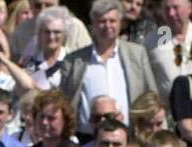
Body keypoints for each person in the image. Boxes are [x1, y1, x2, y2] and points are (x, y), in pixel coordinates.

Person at [59, 0, 157, 138]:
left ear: (120, 23)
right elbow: (64, 101)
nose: (108, 26)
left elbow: (151, 95)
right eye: (102, 21)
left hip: (129, 137)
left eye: (112, 21)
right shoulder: (73, 61)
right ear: (93, 24)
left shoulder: (137, 54)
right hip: (86, 139)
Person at [146, 0, 192, 101]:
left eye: (176, 8)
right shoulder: (151, 41)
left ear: (189, 8)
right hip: (169, 112)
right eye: (166, 9)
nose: (171, 13)